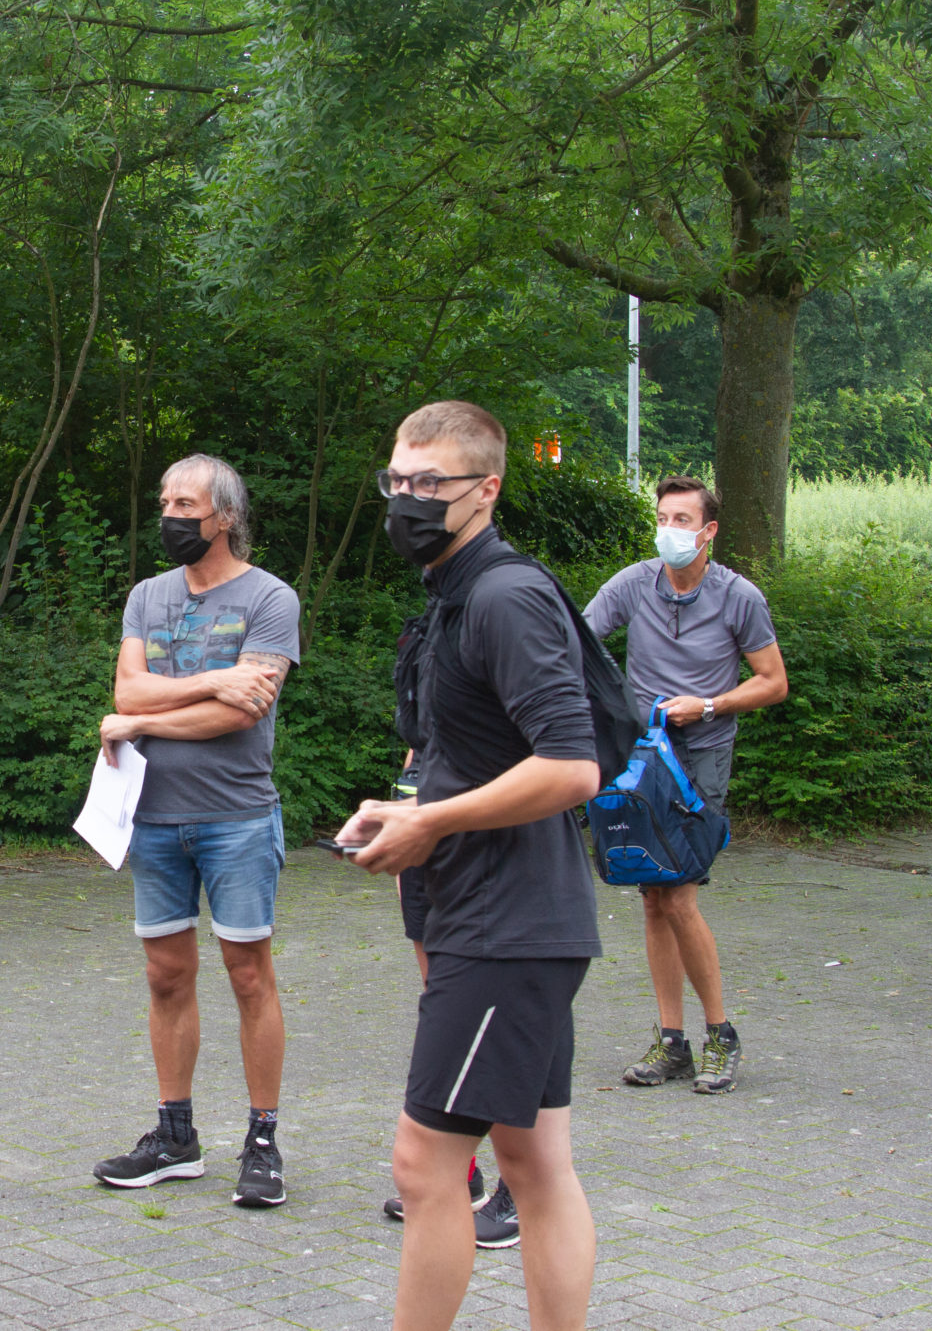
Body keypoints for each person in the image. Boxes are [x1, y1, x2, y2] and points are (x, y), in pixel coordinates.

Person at [335, 400, 601, 1331]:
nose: (406, 499)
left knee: (425, 1166)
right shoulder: (454, 592)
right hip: (500, 918)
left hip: (508, 926)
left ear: (486, 489)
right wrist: (404, 809)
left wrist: (434, 821)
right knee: (533, 1162)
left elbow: (572, 766)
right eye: (396, 480)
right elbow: (479, 753)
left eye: (429, 483)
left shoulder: (503, 596)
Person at [91, 454, 302, 1208]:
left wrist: (142, 721)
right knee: (166, 975)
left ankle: (263, 1140)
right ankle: (175, 1137)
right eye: (165, 501)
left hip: (236, 817)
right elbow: (127, 688)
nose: (171, 515)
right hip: (151, 817)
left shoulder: (271, 597)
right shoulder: (147, 595)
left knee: (249, 975)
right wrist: (214, 677)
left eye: (187, 503)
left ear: (227, 516)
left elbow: (242, 713)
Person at [583, 476, 788, 1093]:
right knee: (652, 894)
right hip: (641, 757)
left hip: (700, 756)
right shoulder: (633, 583)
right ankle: (672, 1043)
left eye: (682, 520)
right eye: (662, 518)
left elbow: (773, 682)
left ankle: (721, 1035)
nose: (669, 530)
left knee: (678, 895)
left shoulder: (738, 596)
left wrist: (710, 704)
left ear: (708, 531)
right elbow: (577, 643)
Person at [384, 758, 517, 1249]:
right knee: (441, 1003)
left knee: (500, 1020)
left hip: (491, 844)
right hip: (427, 829)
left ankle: (520, 1187)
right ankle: (464, 1173)